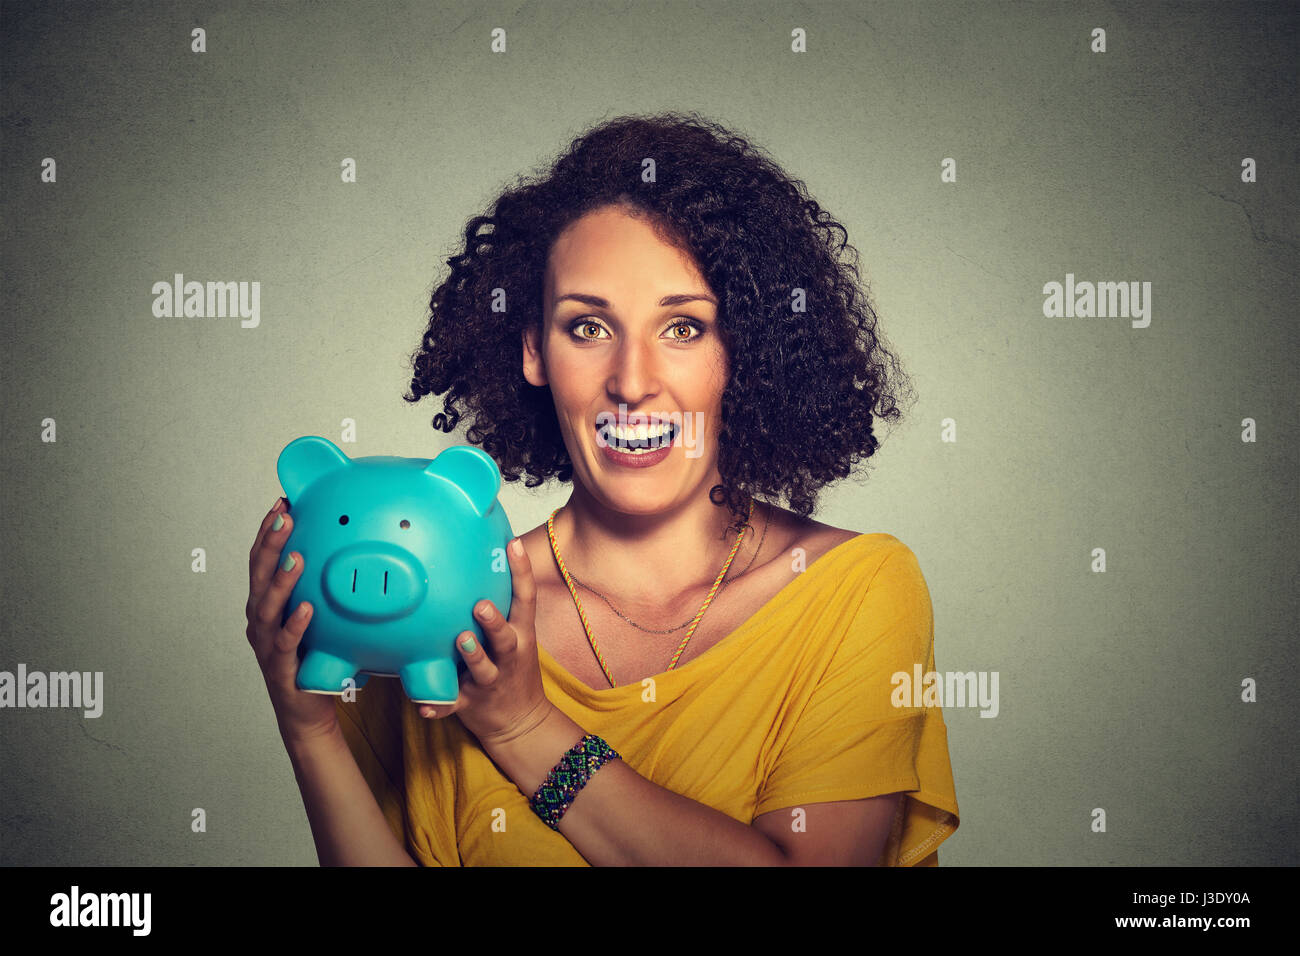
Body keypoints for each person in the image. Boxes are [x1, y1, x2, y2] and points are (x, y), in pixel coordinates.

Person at [245, 111, 959, 866]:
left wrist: (522, 728)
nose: (632, 383)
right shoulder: (447, 610)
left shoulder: (854, 589)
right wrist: (310, 731)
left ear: (742, 350)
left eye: (683, 328)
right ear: (533, 349)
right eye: (589, 327)